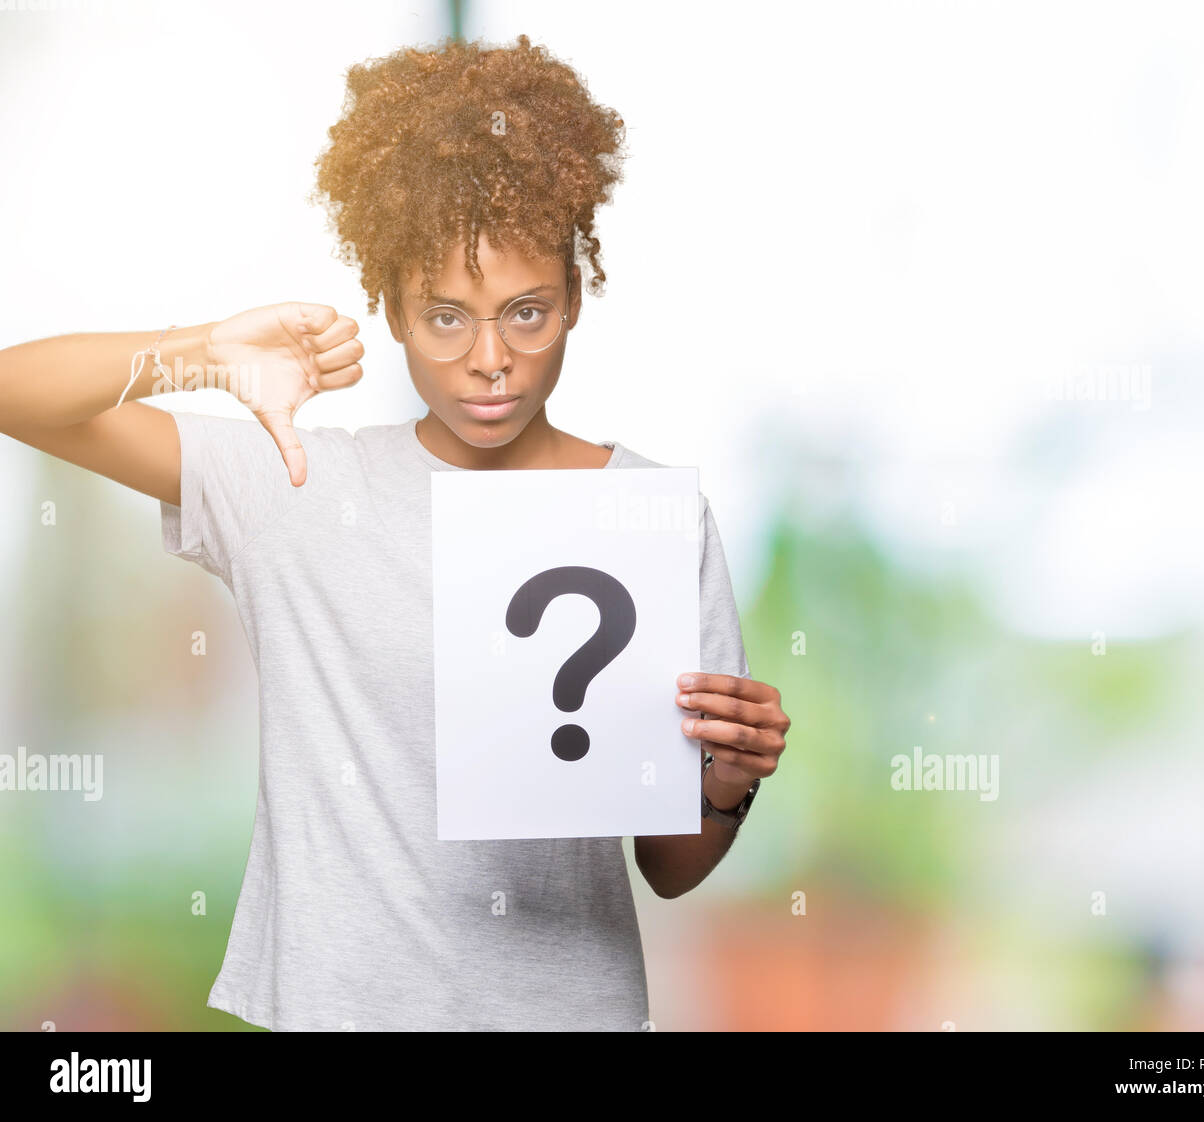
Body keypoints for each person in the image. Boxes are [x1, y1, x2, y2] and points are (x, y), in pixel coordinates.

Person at [0, 33, 789, 1031]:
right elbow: (16, 395)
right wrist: (201, 352)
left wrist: (723, 788)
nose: (490, 359)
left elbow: (668, 871)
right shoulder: (295, 483)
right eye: (446, 317)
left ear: (578, 297)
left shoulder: (648, 519)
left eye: (527, 313)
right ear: (390, 308)